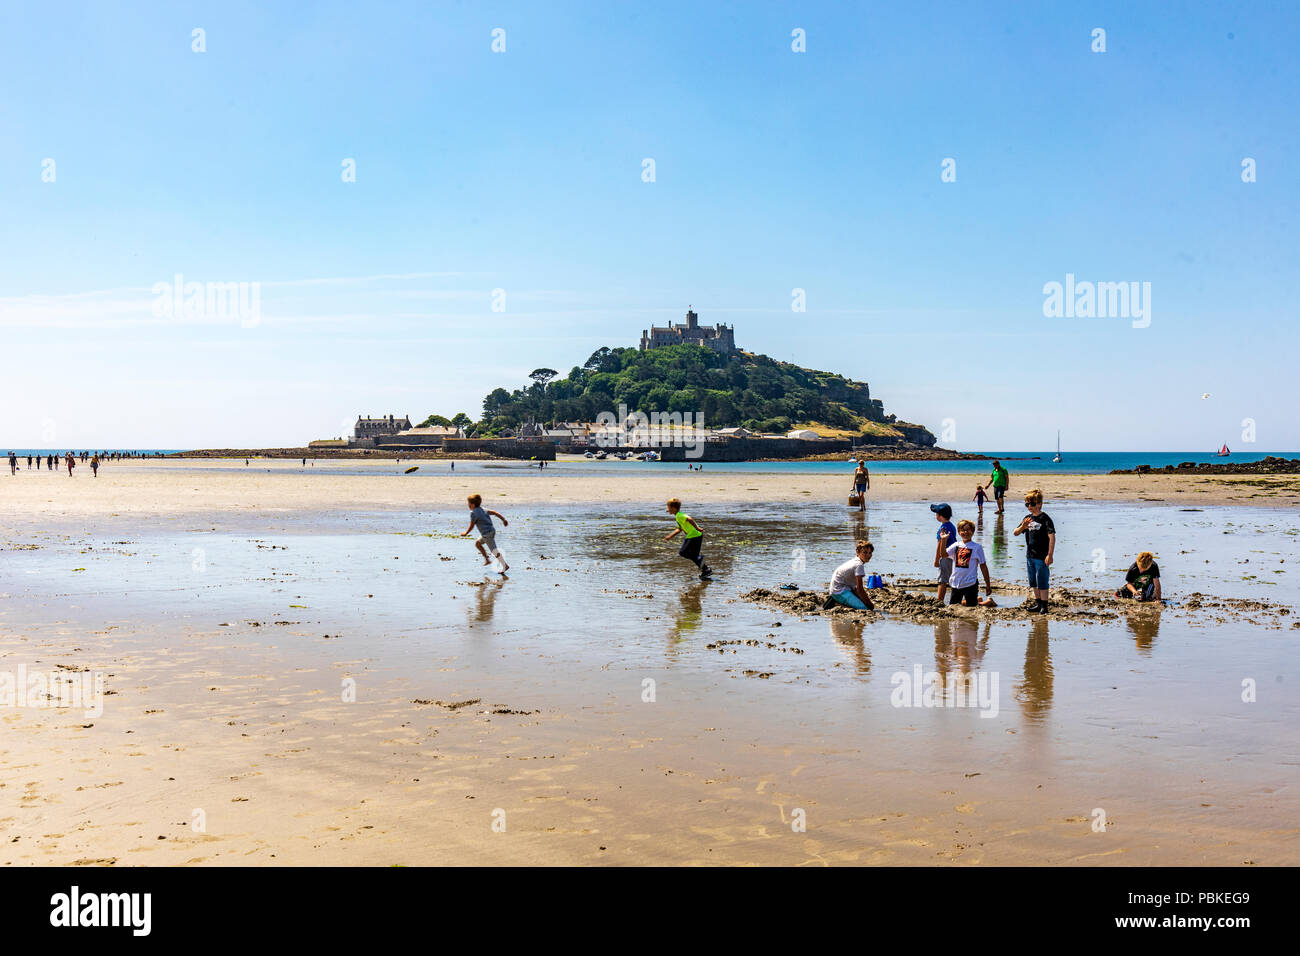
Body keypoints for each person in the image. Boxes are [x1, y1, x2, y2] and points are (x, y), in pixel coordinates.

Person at [1013, 488, 1056, 613]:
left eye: (1032, 504)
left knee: (1042, 580)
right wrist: (1023, 526)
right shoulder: (1027, 519)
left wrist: (1050, 555)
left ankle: (1044, 605)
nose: (1029, 507)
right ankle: (1038, 603)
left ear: (1039, 504)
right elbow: (1015, 533)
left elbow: (1052, 537)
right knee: (1033, 581)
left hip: (1042, 556)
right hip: (1030, 555)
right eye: (1027, 504)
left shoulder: (1045, 518)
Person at [946, 520, 995, 606]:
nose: (965, 532)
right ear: (959, 532)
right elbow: (942, 555)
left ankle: (986, 602)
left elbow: (983, 566)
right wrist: (943, 540)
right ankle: (983, 601)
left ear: (972, 531)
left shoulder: (977, 547)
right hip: (956, 582)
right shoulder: (956, 545)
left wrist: (988, 585)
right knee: (953, 607)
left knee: (972, 608)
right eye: (963, 530)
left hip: (970, 583)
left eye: (968, 530)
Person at [664, 497, 712, 580]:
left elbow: (689, 519)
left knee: (683, 552)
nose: (667, 509)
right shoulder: (677, 516)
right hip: (696, 535)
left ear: (674, 508)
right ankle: (706, 570)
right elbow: (680, 529)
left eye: (668, 507)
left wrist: (697, 528)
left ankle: (702, 563)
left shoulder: (679, 515)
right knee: (694, 556)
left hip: (693, 535)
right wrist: (670, 536)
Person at [461, 493, 509, 572]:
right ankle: (487, 559)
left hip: (487, 534)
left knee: (494, 551)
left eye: (468, 503)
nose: (467, 504)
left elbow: (472, 525)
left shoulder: (473, 513)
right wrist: (503, 519)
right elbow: (495, 512)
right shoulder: (482, 509)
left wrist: (466, 533)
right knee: (478, 543)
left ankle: (505, 565)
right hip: (490, 531)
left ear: (472, 505)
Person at [828, 540, 875, 609]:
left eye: (870, 553)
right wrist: (869, 603)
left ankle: (840, 602)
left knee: (863, 602)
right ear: (858, 552)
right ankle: (837, 604)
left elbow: (855, 588)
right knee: (865, 609)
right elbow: (860, 588)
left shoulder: (856, 561)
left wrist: (863, 600)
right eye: (865, 552)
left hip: (841, 587)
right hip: (839, 591)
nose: (868, 555)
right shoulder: (859, 565)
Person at [930, 503, 957, 602]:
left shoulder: (943, 528)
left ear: (940, 516)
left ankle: (939, 601)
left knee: (942, 580)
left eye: (936, 514)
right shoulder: (951, 526)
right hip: (953, 555)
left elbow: (939, 544)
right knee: (952, 579)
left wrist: (936, 560)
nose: (935, 516)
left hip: (945, 555)